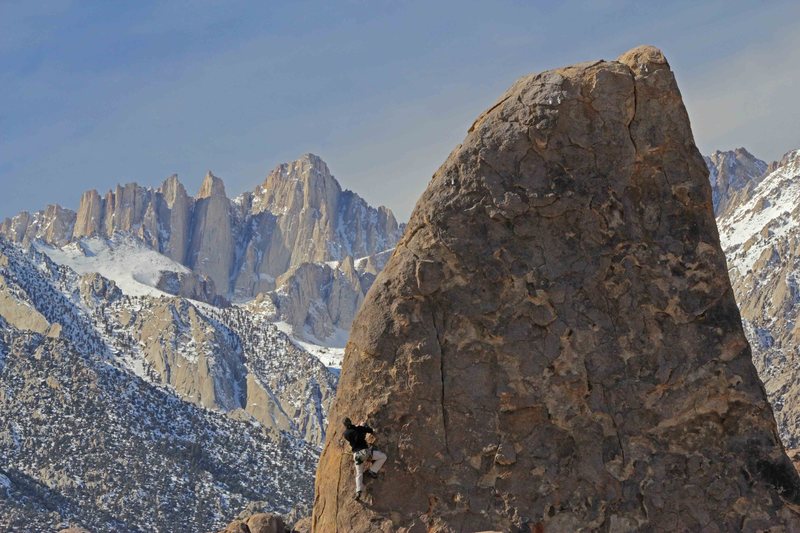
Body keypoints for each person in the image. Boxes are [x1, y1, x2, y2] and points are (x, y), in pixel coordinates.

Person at [342, 417, 387, 500]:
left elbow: (353, 434)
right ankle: (372, 471)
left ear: (344, 425)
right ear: (350, 421)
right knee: (383, 457)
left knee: (359, 473)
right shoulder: (359, 428)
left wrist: (358, 428)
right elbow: (370, 430)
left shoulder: (345, 434)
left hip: (357, 455)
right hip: (365, 453)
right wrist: (363, 426)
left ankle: (358, 491)